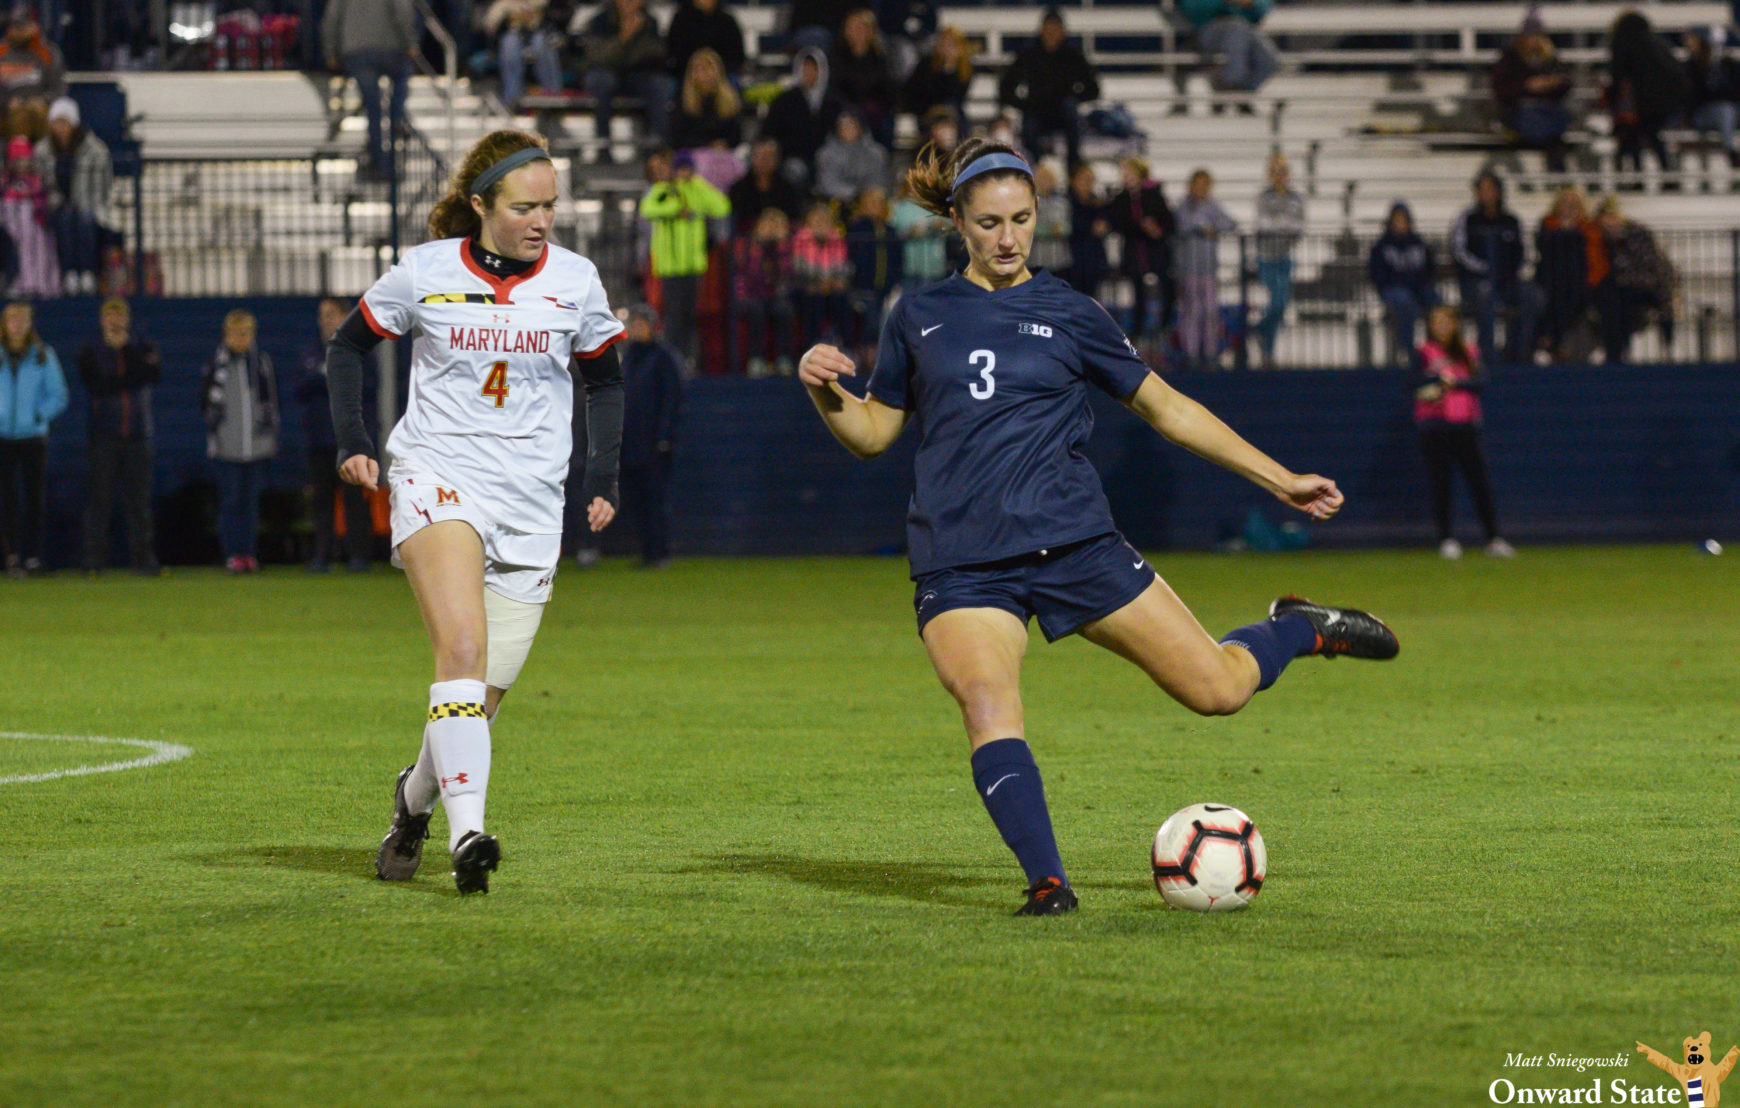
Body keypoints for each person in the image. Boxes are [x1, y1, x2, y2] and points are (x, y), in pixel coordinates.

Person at [795, 138, 1398, 915]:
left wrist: (1278, 477)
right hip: (963, 556)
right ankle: (1050, 884)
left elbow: (1168, 408)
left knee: (1217, 691)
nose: (1008, 238)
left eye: (1021, 219)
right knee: (986, 698)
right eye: (988, 223)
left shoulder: (1071, 312)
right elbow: (875, 433)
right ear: (957, 222)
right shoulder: (917, 314)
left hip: (1075, 542)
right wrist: (826, 393)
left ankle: (1298, 628)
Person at [326, 130, 627, 894]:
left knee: (474, 705)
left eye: (551, 206)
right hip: (438, 477)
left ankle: (414, 803)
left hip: (531, 501)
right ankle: (470, 836)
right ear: (480, 205)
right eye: (525, 206)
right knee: (459, 651)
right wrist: (354, 441)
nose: (542, 221)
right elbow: (347, 346)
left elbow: (606, 382)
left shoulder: (576, 281)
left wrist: (604, 475)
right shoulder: (424, 273)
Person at [1413, 304, 1513, 560]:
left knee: (1480, 483)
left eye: (1447, 321)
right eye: (1437, 322)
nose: (1443, 326)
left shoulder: (1469, 351)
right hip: (1434, 427)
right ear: (1430, 326)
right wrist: (1435, 387)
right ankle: (1446, 538)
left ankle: (1494, 538)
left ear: (1455, 324)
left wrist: (1455, 383)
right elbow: (1414, 385)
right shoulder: (1424, 352)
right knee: (1442, 484)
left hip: (1466, 426)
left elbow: (1481, 382)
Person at [78, 296, 160, 575]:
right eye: (109, 317)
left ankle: (143, 560)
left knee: (139, 502)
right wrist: (128, 373)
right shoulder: (90, 350)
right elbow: (98, 384)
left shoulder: (141, 346)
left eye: (119, 316)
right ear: (102, 320)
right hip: (104, 436)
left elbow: (153, 374)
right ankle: (94, 561)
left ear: (127, 320)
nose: (114, 322)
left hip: (138, 435)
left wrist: (125, 351)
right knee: (99, 500)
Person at [294, 296, 373, 572]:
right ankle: (323, 555)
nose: (325, 320)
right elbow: (299, 389)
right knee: (321, 502)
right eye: (322, 315)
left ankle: (359, 555)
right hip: (318, 440)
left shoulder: (360, 349)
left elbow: (369, 388)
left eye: (331, 314)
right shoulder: (310, 352)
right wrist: (323, 376)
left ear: (344, 317)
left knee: (354, 500)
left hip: (349, 442)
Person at [202, 308, 279, 575]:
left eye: (245, 333)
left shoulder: (261, 363)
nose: (240, 339)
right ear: (226, 336)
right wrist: (217, 436)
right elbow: (207, 407)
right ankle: (232, 554)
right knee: (231, 502)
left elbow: (271, 403)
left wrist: (269, 438)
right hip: (228, 448)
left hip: (256, 448)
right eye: (235, 333)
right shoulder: (217, 365)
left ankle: (249, 554)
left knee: (251, 504)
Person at [640, 147, 730, 368]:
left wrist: (696, 184)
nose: (684, 173)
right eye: (680, 168)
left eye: (688, 168)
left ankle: (691, 361)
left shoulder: (697, 190)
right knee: (673, 317)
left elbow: (721, 206)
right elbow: (647, 209)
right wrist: (677, 208)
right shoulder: (664, 189)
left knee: (692, 316)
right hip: (670, 266)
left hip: (693, 266)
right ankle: (673, 360)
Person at [1449, 170, 1544, 364]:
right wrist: (1484, 270)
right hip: (1475, 282)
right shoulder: (1467, 219)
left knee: (1532, 295)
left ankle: (1519, 353)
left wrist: (1507, 273)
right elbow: (1459, 252)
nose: (1487, 194)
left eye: (1491, 189)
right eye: (1482, 189)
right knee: (1485, 295)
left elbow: (1522, 253)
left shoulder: (1511, 220)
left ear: (1499, 192)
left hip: (1506, 281)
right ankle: (1487, 358)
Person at [0, 297, 63, 574]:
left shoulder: (42, 355)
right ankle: (11, 556)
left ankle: (34, 557)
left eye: (22, 320)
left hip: (33, 438)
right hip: (2, 436)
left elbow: (59, 395)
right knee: (6, 499)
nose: (17, 325)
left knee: (35, 498)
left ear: (29, 324)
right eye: (12, 320)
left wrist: (38, 416)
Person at [321, 0, 418, 180]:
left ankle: (379, 161)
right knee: (399, 83)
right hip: (391, 48)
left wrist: (331, 52)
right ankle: (396, 118)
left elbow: (331, 20)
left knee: (373, 109)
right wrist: (410, 43)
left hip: (356, 51)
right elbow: (402, 11)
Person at [617, 303, 684, 565]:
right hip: (632, 441)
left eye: (641, 324)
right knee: (638, 499)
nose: (637, 329)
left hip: (655, 442)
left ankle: (660, 551)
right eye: (633, 324)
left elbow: (673, 397)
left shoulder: (663, 357)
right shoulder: (629, 357)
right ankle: (647, 551)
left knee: (656, 498)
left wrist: (665, 436)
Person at [997, 9, 1099, 165]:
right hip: (1036, 110)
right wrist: (1024, 104)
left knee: (1072, 115)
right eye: (1048, 29)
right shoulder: (1028, 52)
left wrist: (1074, 98)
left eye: (1056, 29)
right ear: (1041, 30)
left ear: (1063, 31)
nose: (1051, 34)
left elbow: (1093, 88)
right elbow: (1006, 87)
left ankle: (1073, 170)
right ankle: (1034, 171)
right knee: (1029, 128)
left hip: (1064, 111)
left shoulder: (1072, 54)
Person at [37, 96, 110, 296]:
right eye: (56, 122)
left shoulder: (94, 148)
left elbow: (103, 181)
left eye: (64, 122)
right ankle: (68, 272)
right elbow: (42, 182)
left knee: (85, 220)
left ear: (73, 123)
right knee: (65, 221)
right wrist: (53, 200)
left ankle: (87, 272)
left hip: (87, 203)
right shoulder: (43, 150)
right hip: (57, 204)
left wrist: (95, 204)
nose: (60, 127)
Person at [1605, 10, 1688, 189]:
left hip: (1636, 103)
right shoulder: (1658, 43)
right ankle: (1668, 177)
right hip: (1659, 104)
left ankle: (1638, 179)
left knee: (1633, 138)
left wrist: (1614, 98)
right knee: (1653, 138)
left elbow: (1618, 74)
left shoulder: (1623, 42)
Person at [581, 0, 676, 149]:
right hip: (607, 74)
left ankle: (657, 144)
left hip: (637, 75)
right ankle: (603, 142)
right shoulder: (600, 21)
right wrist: (623, 38)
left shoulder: (650, 21)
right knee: (602, 81)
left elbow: (657, 53)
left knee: (661, 84)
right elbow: (597, 58)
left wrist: (630, 48)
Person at [1593, 197, 1675, 365]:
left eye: (1613, 217)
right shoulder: (1601, 241)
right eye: (1605, 219)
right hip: (1621, 291)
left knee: (1620, 301)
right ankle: (1616, 353)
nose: (1610, 223)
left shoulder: (1636, 234)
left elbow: (1650, 267)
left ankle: (1666, 346)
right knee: (1614, 303)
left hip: (1646, 287)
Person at [1490, 17, 1572, 173]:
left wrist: (1551, 83)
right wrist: (1527, 86)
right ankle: (1557, 176)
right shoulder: (1509, 59)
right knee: (1553, 137)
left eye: (1538, 36)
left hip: (1548, 110)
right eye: (1531, 36)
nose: (1535, 41)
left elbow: (1566, 82)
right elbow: (1501, 89)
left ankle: (1558, 178)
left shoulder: (1549, 58)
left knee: (1561, 119)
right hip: (1520, 111)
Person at [1173, 168, 1237, 370]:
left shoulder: (1212, 206)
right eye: (1197, 184)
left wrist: (1213, 228)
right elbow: (1182, 226)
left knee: (1210, 312)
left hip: (1208, 269)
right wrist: (1200, 228)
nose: (1201, 189)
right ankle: (1191, 353)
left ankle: (1210, 353)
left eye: (1204, 185)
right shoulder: (1184, 206)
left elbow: (1230, 223)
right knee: (1191, 312)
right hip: (1188, 269)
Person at [1534, 187, 1603, 361]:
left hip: (1583, 284)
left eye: (1574, 204)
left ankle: (1557, 342)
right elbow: (1546, 252)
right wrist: (1565, 233)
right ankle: (1554, 343)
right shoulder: (1547, 224)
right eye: (1566, 203)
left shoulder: (1589, 228)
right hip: (1553, 283)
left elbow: (1592, 260)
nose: (1570, 208)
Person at [1106, 157, 1171, 342]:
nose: (1126, 177)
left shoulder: (1154, 195)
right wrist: (1142, 227)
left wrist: (1157, 229)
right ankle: (1138, 330)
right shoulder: (1121, 199)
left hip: (1155, 252)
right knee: (1138, 292)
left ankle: (1163, 325)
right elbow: (1118, 222)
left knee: (1165, 286)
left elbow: (1167, 221)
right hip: (1134, 253)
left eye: (1129, 173)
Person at [1252, 151, 1304, 370]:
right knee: (1275, 302)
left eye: (1282, 170)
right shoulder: (1263, 197)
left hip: (1285, 257)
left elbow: (1297, 226)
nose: (1279, 175)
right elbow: (1264, 225)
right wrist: (1282, 225)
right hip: (1266, 257)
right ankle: (1267, 351)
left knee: (1280, 304)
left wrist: (1278, 224)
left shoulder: (1296, 198)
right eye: (1275, 171)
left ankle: (1260, 331)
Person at [1368, 201, 1437, 366]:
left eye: (1403, 220)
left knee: (1437, 302)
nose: (1400, 224)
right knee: (1405, 302)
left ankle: (1437, 350)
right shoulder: (1381, 246)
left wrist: (1422, 285)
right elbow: (1377, 274)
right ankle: (1408, 350)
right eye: (1397, 220)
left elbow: (1429, 269)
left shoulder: (1419, 243)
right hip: (1393, 290)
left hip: (1418, 288)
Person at [762, 48, 844, 183]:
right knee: (794, 172)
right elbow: (770, 133)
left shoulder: (834, 101)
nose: (809, 73)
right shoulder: (784, 101)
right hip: (793, 158)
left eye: (813, 69)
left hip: (830, 159)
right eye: (805, 69)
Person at [731, 206, 796, 375]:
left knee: (784, 309)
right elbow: (752, 275)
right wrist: (761, 246)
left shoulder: (786, 247)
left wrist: (780, 247)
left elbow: (788, 274)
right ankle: (756, 359)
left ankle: (783, 359)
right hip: (749, 295)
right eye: (767, 225)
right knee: (756, 309)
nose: (771, 230)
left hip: (775, 296)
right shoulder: (746, 245)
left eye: (775, 226)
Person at [1179, 0, 1280, 101]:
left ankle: (1239, 95)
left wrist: (1251, 4)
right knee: (1236, 31)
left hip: (1245, 27)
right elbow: (1191, 7)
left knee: (1269, 61)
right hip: (1207, 28)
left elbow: (1263, 7)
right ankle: (1230, 91)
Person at [844, 185, 902, 354]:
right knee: (868, 322)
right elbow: (853, 257)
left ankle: (879, 357)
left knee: (882, 323)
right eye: (870, 203)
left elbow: (897, 258)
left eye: (878, 203)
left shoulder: (891, 230)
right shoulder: (858, 228)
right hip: (864, 284)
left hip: (886, 285)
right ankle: (863, 355)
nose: (875, 206)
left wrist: (895, 280)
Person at [828, 8, 896, 148]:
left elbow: (888, 90)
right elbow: (834, 89)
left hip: (875, 113)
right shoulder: (836, 55)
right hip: (845, 110)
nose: (856, 32)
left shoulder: (882, 57)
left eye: (861, 27)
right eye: (851, 27)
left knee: (884, 125)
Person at [483, 0, 567, 109]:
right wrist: (508, 17)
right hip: (515, 40)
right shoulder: (503, 5)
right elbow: (489, 26)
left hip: (540, 37)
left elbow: (559, 21)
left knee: (540, 41)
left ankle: (552, 92)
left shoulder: (544, 3)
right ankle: (512, 98)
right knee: (510, 42)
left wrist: (534, 16)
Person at [791, 200, 851, 345]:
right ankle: (813, 343)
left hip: (832, 285)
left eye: (825, 220)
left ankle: (842, 342)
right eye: (817, 219)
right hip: (807, 285)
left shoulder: (836, 238)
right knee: (815, 298)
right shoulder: (801, 238)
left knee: (842, 298)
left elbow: (843, 265)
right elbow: (799, 267)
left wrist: (832, 280)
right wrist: (820, 279)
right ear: (808, 222)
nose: (821, 223)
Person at [1, 131, 54, 297]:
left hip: (32, 226)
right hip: (11, 226)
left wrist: (39, 216)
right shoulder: (5, 180)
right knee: (15, 252)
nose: (21, 163)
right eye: (17, 159)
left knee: (34, 250)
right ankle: (17, 283)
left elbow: (41, 203)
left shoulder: (35, 180)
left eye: (24, 159)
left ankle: (35, 283)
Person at [1683, 30, 1740, 176]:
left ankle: (1732, 156)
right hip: (1701, 114)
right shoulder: (1692, 66)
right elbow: (1694, 96)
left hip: (1729, 113)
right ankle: (1730, 151)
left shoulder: (1728, 65)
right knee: (1725, 110)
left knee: (1727, 110)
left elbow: (1734, 91)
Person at [671, 47, 744, 152]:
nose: (703, 74)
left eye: (708, 68)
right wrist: (708, 145)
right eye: (698, 69)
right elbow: (677, 138)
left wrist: (723, 144)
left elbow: (736, 136)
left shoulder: (730, 99)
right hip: (693, 155)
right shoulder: (682, 99)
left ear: (718, 71)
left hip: (723, 155)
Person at [727, 138, 806, 235]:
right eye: (760, 156)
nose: (764, 161)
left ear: (777, 159)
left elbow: (794, 219)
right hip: (748, 241)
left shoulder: (787, 188)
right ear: (752, 158)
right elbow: (736, 221)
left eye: (769, 156)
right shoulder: (738, 188)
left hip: (782, 239)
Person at [665, 0, 744, 88]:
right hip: (687, 73)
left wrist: (714, 69)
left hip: (723, 74)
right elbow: (674, 50)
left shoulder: (727, 21)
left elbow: (736, 54)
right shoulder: (681, 19)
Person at [814, 109, 888, 203]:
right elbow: (827, 184)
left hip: (870, 201)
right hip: (836, 202)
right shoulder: (825, 154)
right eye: (843, 126)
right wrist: (855, 194)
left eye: (852, 125)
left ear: (860, 128)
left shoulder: (877, 153)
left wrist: (867, 195)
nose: (848, 130)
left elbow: (879, 181)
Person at [901, 26, 971, 125]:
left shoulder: (965, 68)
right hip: (926, 108)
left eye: (952, 45)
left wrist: (949, 68)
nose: (947, 48)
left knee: (956, 115)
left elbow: (958, 95)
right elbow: (919, 91)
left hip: (951, 110)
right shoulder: (926, 64)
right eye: (944, 43)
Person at [1062, 161, 1111, 300]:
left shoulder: (1097, 201)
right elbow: (1066, 225)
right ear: (1074, 180)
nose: (1087, 183)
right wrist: (1091, 228)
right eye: (1084, 179)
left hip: (1094, 257)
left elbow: (1108, 222)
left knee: (1092, 295)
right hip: (1072, 256)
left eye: (1090, 180)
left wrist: (1105, 226)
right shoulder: (1067, 201)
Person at [0, 5, 64, 108]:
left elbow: (59, 88)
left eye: (24, 27)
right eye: (16, 27)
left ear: (35, 26)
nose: (20, 31)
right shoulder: (2, 51)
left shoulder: (48, 52)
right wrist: (6, 102)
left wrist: (42, 100)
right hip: (6, 111)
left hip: (40, 109)